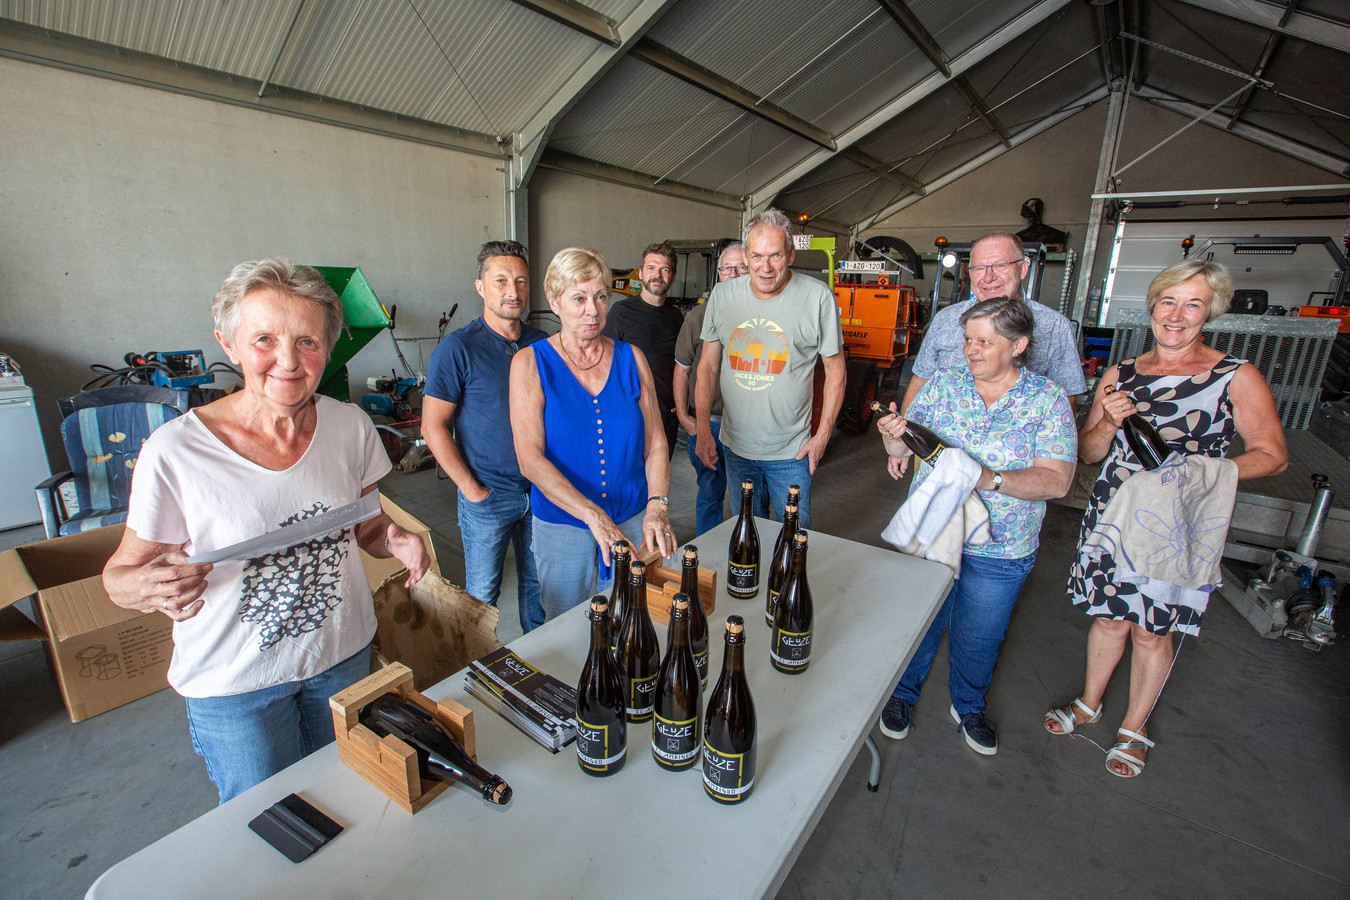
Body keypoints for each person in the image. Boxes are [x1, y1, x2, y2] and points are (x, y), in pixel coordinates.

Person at [103, 259, 431, 804]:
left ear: (329, 349)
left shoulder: (349, 426)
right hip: (238, 688)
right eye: (264, 339)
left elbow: (366, 523)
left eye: (308, 341)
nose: (288, 361)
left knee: (357, 799)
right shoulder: (177, 451)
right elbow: (120, 575)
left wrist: (394, 537)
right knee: (273, 823)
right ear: (227, 344)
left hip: (344, 658)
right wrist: (143, 588)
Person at [1046, 260, 1288, 777]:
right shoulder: (1121, 374)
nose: (1177, 315)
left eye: (1193, 304)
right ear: (1152, 306)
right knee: (1108, 616)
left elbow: (1272, 454)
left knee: (1151, 630)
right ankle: (1090, 703)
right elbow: (1088, 453)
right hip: (1114, 514)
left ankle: (1135, 727)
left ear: (1211, 312)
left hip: (1177, 521)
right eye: (1168, 302)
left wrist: (1198, 473)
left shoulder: (1234, 376)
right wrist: (1107, 422)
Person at [877, 297, 1076, 756]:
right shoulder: (945, 384)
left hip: (1003, 546)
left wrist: (991, 479)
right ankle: (902, 696)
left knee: (981, 632)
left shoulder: (1045, 400)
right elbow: (906, 448)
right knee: (919, 623)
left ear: (1019, 344)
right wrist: (892, 436)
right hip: (933, 534)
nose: (971, 349)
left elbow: (1058, 480)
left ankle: (968, 705)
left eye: (984, 341)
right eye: (968, 339)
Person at [510, 247, 676, 622]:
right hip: (563, 525)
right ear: (554, 302)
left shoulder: (631, 358)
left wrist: (658, 505)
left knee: (633, 619)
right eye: (579, 298)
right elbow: (529, 458)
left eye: (601, 297)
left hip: (634, 517)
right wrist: (595, 518)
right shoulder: (530, 364)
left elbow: (656, 444)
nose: (593, 310)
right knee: (563, 623)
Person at [422, 240, 548, 633]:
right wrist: (472, 490)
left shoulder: (542, 345)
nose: (513, 291)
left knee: (537, 588)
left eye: (521, 281)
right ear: (481, 287)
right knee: (481, 596)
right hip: (488, 496)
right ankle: (478, 676)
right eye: (501, 281)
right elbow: (432, 426)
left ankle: (538, 666)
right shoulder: (458, 348)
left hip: (540, 490)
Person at [695, 209, 845, 528]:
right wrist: (704, 430)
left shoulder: (818, 298)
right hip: (736, 447)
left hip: (792, 453)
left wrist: (822, 436)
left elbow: (836, 371)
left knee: (794, 539)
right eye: (757, 256)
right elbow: (707, 367)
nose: (765, 267)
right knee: (747, 535)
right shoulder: (722, 296)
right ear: (745, 257)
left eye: (775, 255)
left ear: (790, 254)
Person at [901, 232, 1084, 414]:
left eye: (1000, 265)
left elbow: (1066, 397)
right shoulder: (946, 319)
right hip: (942, 438)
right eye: (979, 268)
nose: (988, 277)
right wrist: (905, 432)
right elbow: (921, 380)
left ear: (1023, 269)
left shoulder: (1054, 326)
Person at [674, 241, 746, 535]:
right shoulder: (698, 317)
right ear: (719, 275)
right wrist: (684, 416)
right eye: (727, 268)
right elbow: (682, 369)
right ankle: (708, 555)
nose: (735, 273)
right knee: (710, 493)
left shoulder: (764, 317)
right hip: (710, 425)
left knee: (751, 499)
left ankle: (749, 553)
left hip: (748, 427)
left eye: (742, 266)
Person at [602, 242, 685, 458]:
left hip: (666, 417)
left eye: (664, 269)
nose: (657, 275)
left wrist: (681, 402)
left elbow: (683, 364)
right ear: (640, 273)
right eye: (651, 268)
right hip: (630, 416)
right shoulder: (621, 312)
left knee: (659, 480)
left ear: (673, 276)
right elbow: (604, 364)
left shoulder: (676, 317)